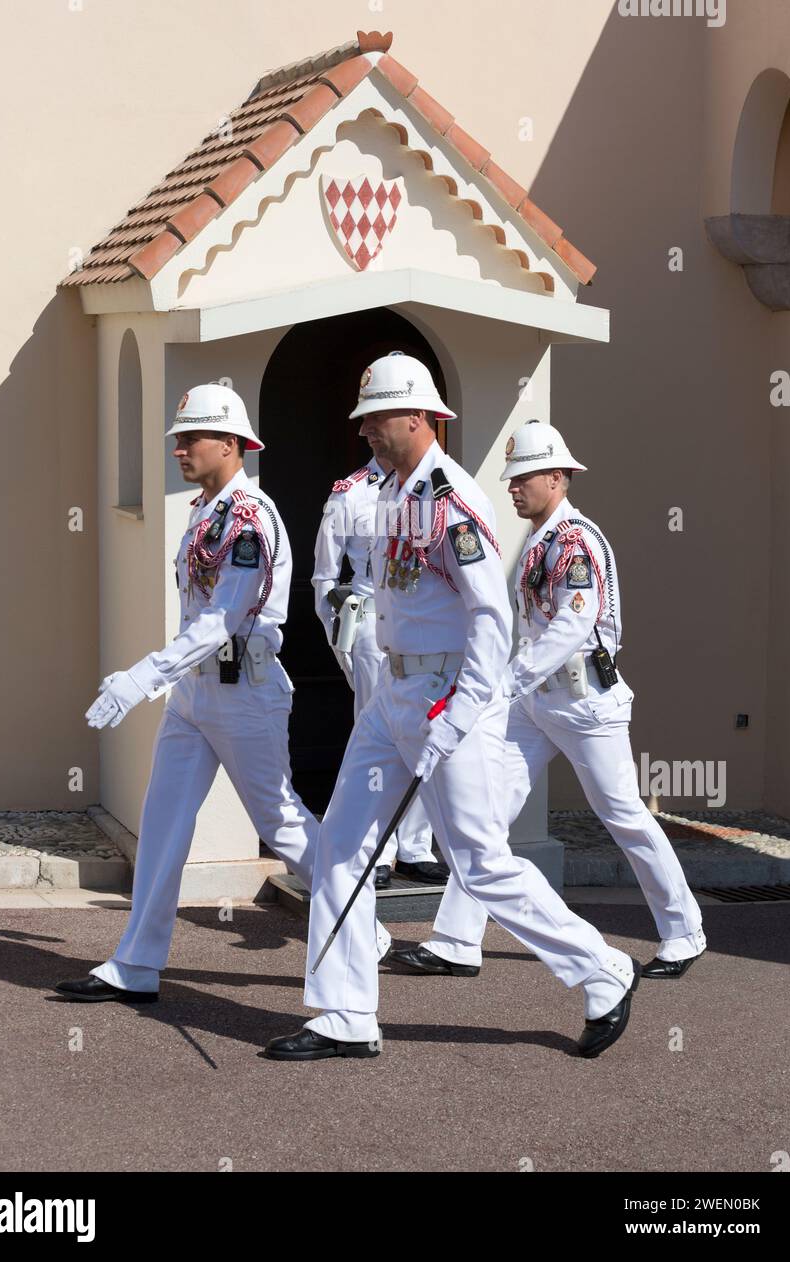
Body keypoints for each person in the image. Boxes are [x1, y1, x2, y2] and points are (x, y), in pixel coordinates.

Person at [264, 355, 641, 1061]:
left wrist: (461, 714)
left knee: (480, 860)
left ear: (417, 416)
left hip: (445, 697)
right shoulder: (386, 496)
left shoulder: (453, 500)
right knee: (342, 845)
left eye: (378, 418)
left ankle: (604, 969)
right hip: (390, 696)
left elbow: (490, 618)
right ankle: (345, 1013)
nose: (368, 430)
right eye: (365, 419)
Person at [55, 383, 389, 1004]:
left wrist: (141, 676)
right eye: (178, 439)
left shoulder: (249, 519)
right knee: (162, 823)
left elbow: (221, 621)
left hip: (245, 690)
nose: (179, 449)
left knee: (281, 823)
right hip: (195, 692)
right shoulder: (203, 511)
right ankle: (137, 962)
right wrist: (166, 677)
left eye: (192, 438)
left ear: (232, 444)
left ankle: (360, 916)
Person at [393, 420, 706, 981]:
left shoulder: (575, 538)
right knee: (486, 819)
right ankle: (457, 941)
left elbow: (574, 621)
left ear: (558, 478)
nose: (514, 487)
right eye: (512, 478)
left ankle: (684, 932)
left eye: (526, 477)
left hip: (585, 703)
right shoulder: (541, 537)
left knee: (624, 816)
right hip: (537, 703)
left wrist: (509, 678)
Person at [312, 441, 449, 888]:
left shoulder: (435, 488)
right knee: (380, 739)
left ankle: (413, 846)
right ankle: (378, 852)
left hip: (426, 629)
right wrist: (344, 645)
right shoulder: (351, 494)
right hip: (371, 626)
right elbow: (325, 578)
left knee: (426, 732)